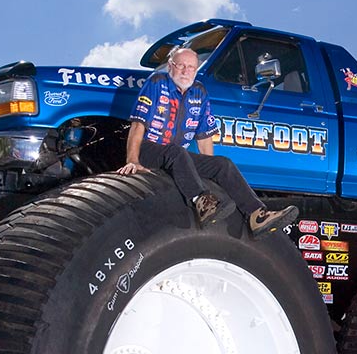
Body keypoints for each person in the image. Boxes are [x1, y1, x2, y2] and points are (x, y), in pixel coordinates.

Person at [116, 46, 298, 235]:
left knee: (222, 164)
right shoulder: (156, 83)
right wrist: (133, 161)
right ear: (170, 66)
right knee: (177, 152)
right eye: (181, 66)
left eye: (191, 67)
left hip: (177, 156)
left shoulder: (199, 92)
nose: (186, 71)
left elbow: (204, 137)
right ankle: (201, 203)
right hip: (149, 150)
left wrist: (207, 168)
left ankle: (257, 216)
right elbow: (138, 124)